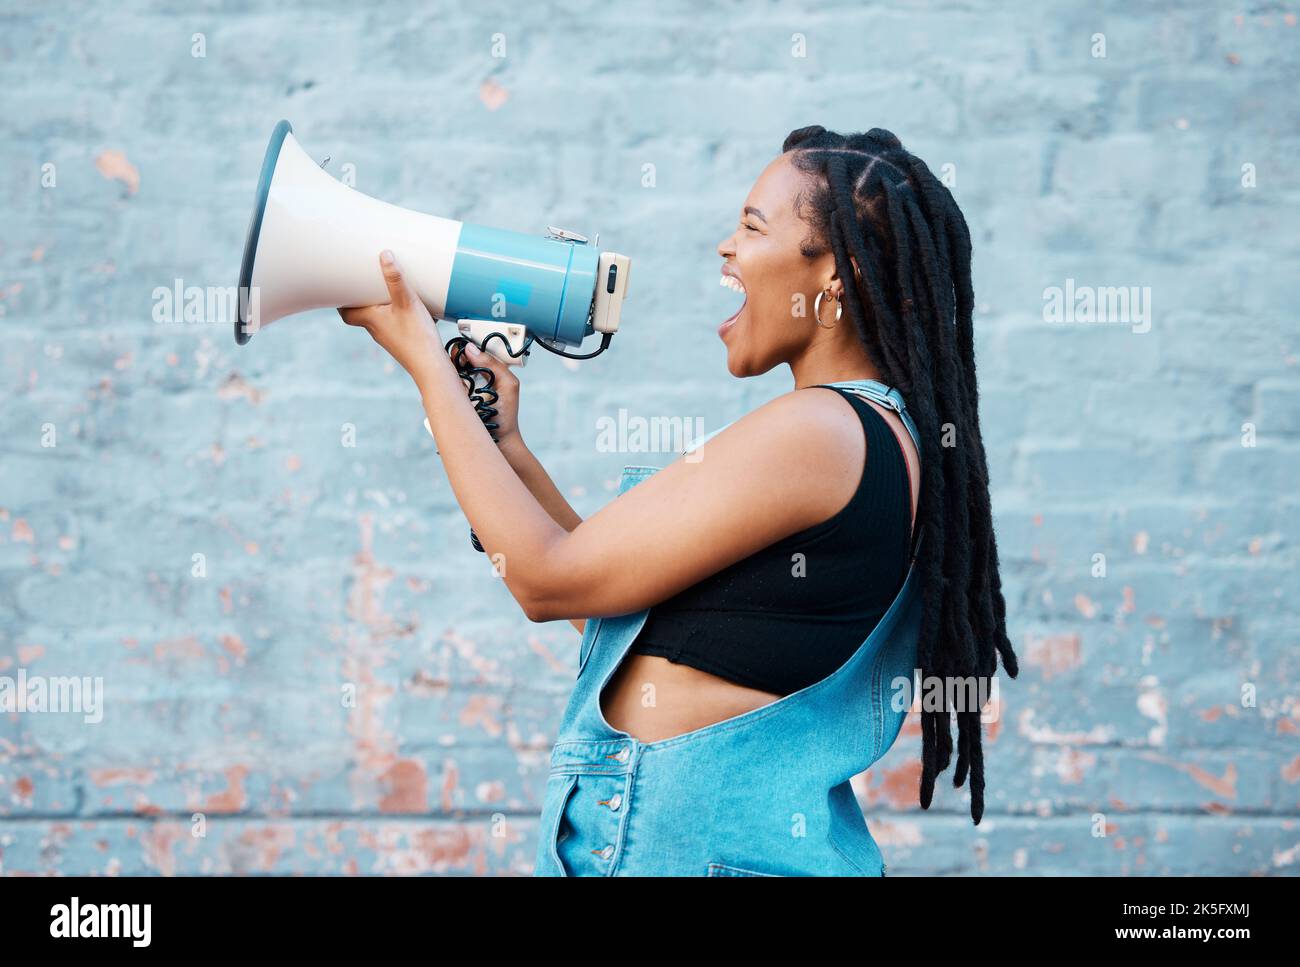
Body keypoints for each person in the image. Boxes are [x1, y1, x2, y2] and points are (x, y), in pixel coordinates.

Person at [340, 125, 1018, 876]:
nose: (726, 248)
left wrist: (421, 359)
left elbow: (543, 578)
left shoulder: (820, 431)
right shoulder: (867, 434)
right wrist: (506, 450)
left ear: (838, 276)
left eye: (752, 227)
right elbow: (609, 602)